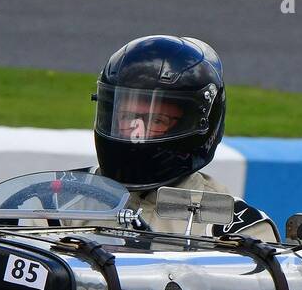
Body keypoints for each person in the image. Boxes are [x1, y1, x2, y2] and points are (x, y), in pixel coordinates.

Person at [92, 35, 279, 241]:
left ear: (198, 123)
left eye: (157, 120)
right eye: (127, 117)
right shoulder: (66, 201)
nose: (136, 133)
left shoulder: (234, 229)